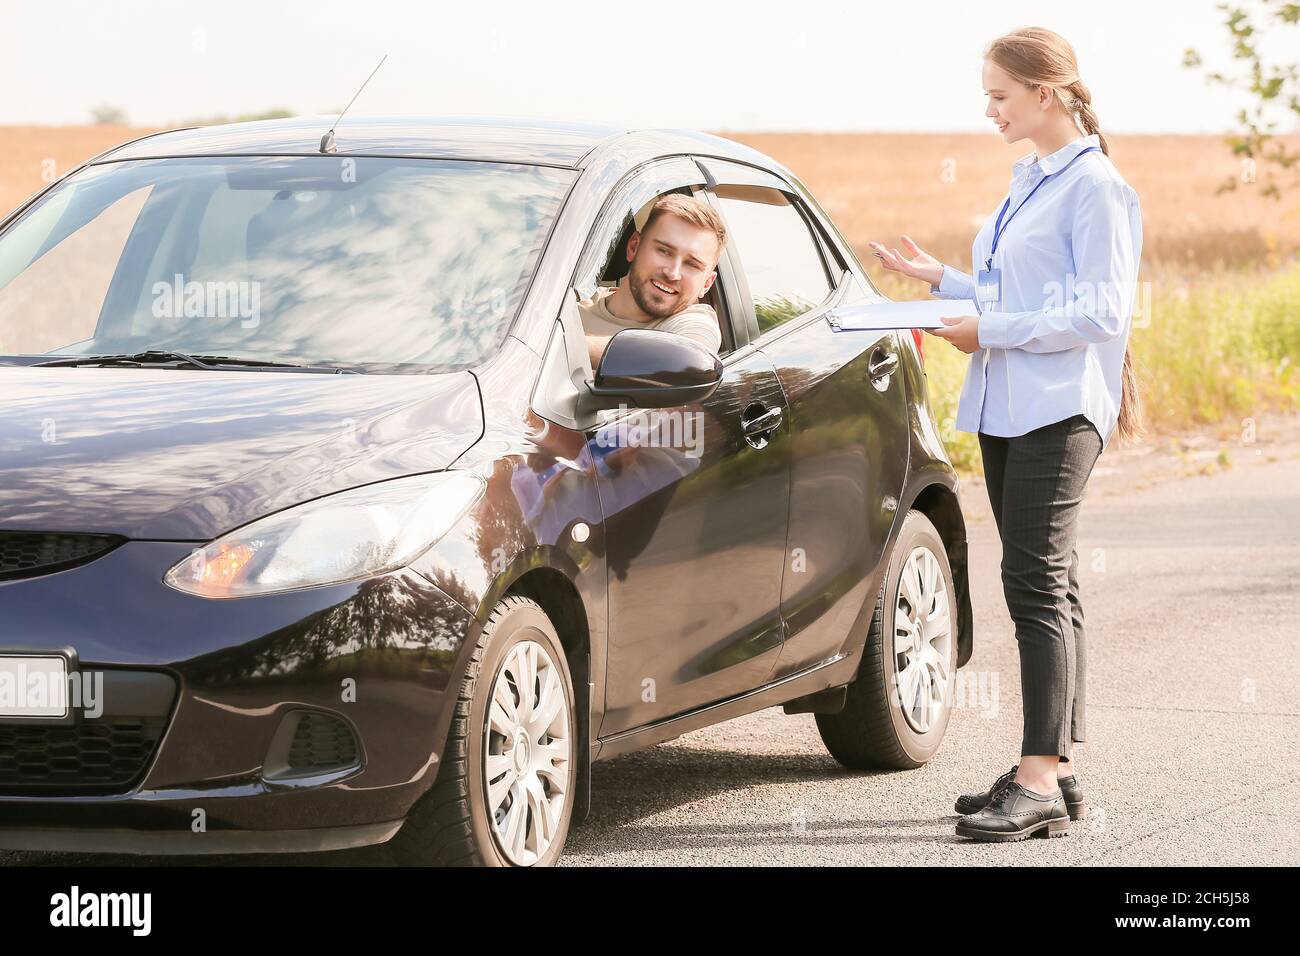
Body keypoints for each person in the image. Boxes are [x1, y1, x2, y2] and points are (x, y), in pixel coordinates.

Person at [870, 26, 1143, 843]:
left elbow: (1100, 311)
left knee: (1032, 585)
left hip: (1059, 407)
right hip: (1010, 405)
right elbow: (1018, 285)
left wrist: (988, 330)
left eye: (999, 95)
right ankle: (1056, 772)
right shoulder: (1033, 176)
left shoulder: (1096, 187)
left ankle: (1033, 780)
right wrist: (946, 282)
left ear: (1045, 93)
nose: (989, 110)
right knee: (1052, 584)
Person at [579, 193, 726, 368]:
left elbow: (685, 359)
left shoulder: (694, 324)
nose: (673, 273)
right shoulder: (565, 305)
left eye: (692, 265)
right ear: (634, 247)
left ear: (706, 284)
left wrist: (555, 346)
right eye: (664, 251)